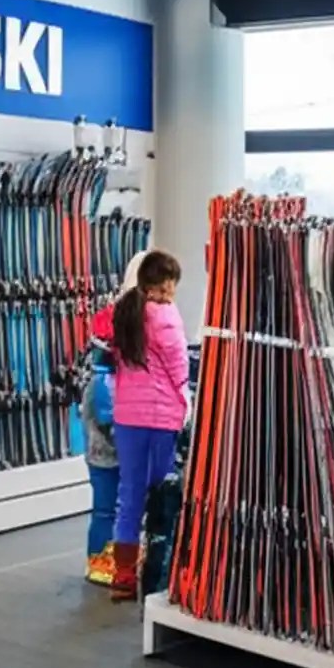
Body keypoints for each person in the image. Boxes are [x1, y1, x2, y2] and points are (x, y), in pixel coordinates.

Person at [108, 249, 188, 602]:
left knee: (129, 494)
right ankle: (158, 570)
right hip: (160, 416)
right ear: (162, 283)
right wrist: (188, 400)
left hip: (127, 417)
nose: (172, 289)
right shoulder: (165, 316)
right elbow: (178, 365)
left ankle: (123, 575)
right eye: (170, 281)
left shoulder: (123, 312)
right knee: (161, 492)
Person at [80, 250, 147, 586]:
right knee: (108, 506)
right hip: (108, 433)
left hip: (125, 427)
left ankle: (119, 563)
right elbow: (104, 393)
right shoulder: (114, 323)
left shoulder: (144, 321)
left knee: (124, 507)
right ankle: (99, 564)